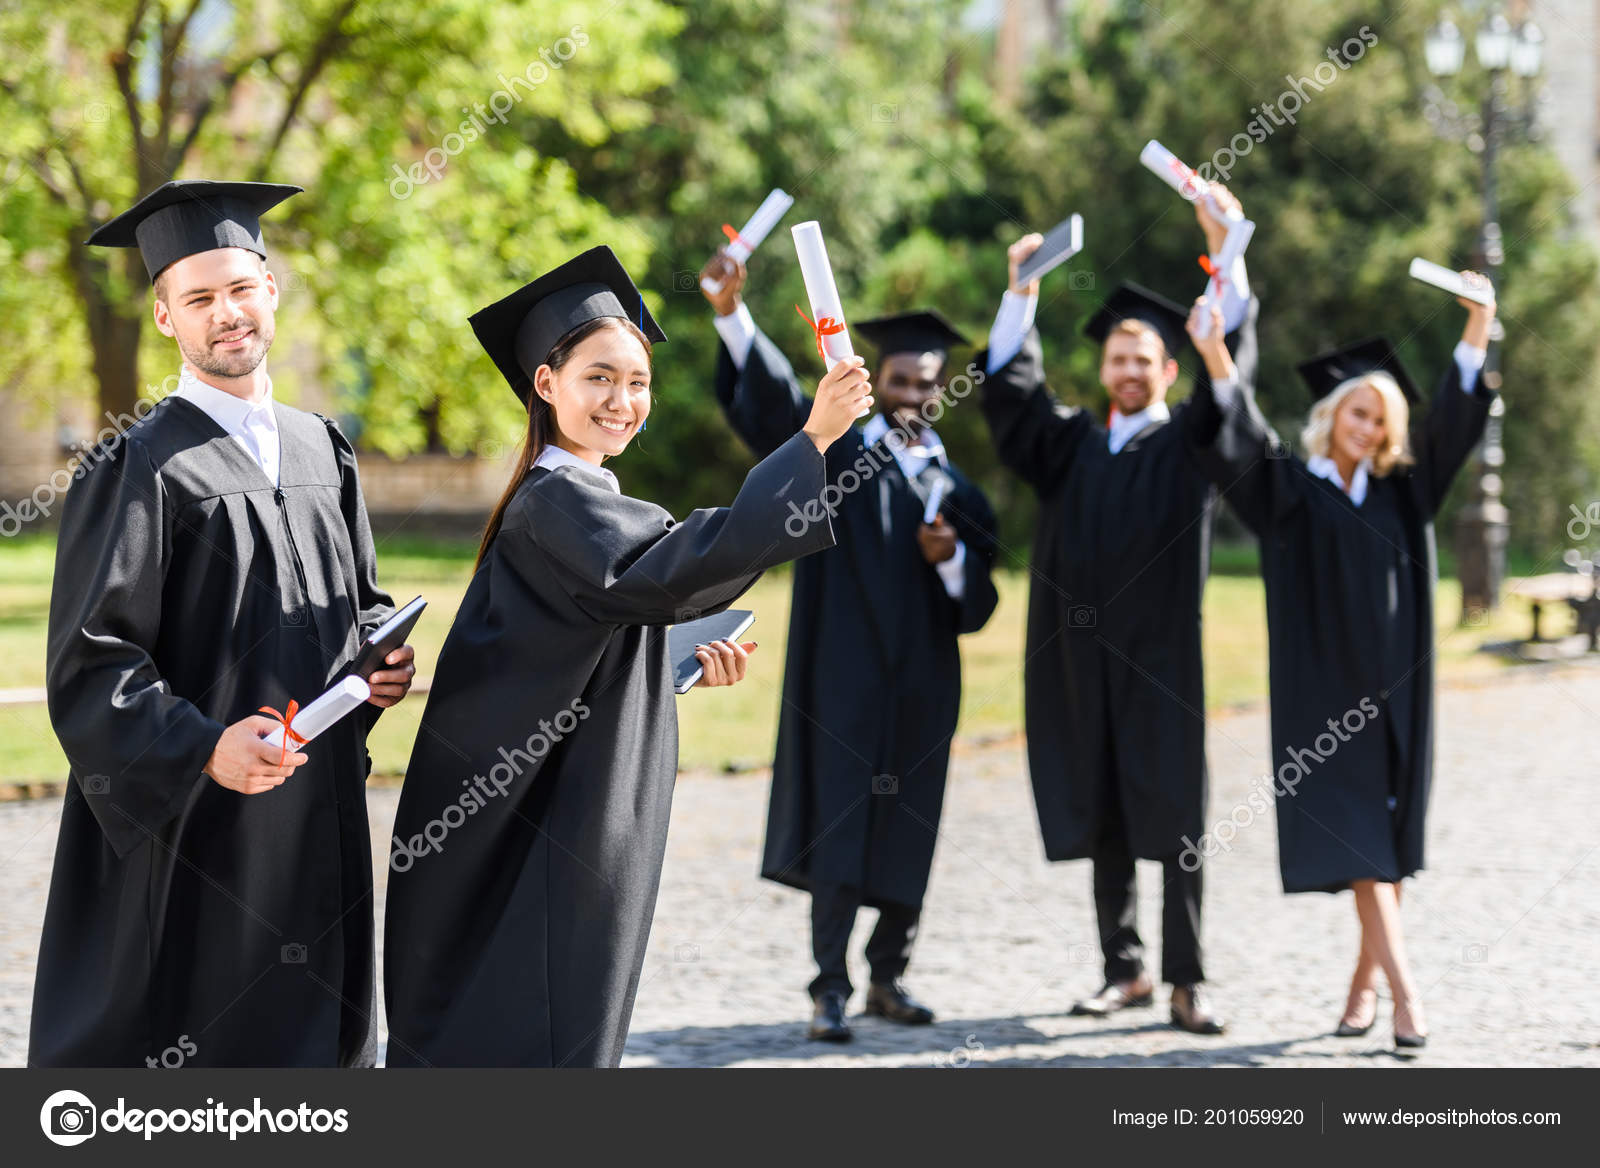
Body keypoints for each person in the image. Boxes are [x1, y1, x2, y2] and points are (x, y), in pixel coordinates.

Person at [382, 246, 868, 1067]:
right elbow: (673, 567)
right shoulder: (558, 500)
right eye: (599, 378)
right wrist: (813, 438)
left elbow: (577, 641)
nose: (623, 400)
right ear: (546, 384)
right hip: (547, 824)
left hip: (561, 802)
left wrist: (674, 660)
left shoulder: (569, 496)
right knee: (544, 1022)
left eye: (638, 382)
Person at [33, 180, 416, 1068]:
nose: (226, 314)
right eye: (198, 299)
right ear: (167, 319)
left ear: (271, 289)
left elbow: (357, 597)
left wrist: (378, 658)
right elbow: (90, 665)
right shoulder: (134, 464)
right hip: (196, 827)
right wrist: (204, 747)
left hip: (312, 809)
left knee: (320, 1037)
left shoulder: (325, 447)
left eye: (240, 289)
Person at [1185, 278, 1498, 1052]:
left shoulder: (1404, 494)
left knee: (1383, 854)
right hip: (1324, 707)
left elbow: (1456, 423)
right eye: (1359, 413)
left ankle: (1360, 990)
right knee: (1365, 850)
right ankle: (1405, 998)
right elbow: (1243, 435)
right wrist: (1216, 352)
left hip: (1398, 697)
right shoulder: (1289, 490)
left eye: (1382, 420)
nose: (1368, 428)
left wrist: (1478, 328)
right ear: (1332, 416)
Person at [975, 188, 1259, 1035]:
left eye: (1146, 359)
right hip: (1079, 657)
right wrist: (1020, 293)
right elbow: (1013, 399)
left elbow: (1227, 391)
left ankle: (1186, 981)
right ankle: (1122, 969)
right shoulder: (1067, 447)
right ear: (1102, 369)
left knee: (1177, 820)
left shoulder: (1186, 444)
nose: (1130, 370)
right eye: (1118, 359)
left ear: (1169, 369)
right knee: (1099, 807)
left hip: (1164, 659)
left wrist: (1226, 252)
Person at [699, 252, 1000, 1042]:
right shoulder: (838, 457)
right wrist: (734, 315)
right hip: (843, 681)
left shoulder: (960, 494)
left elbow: (980, 609)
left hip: (926, 687)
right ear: (880, 386)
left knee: (911, 824)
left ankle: (888, 976)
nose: (914, 396)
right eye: (900, 381)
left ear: (943, 392)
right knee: (840, 824)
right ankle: (827, 985)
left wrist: (954, 562)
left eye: (927, 383)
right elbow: (773, 409)